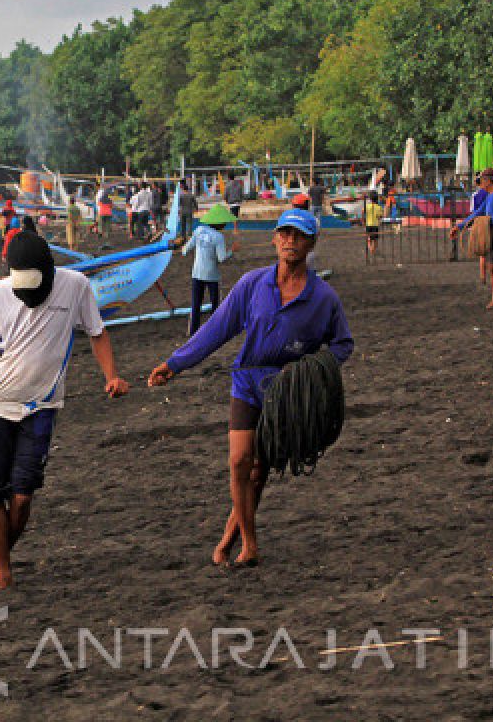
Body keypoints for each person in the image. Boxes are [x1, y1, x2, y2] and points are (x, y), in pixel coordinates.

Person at [147, 209, 354, 567]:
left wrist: (312, 371)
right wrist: (175, 363)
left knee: (260, 469)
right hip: (247, 380)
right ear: (275, 239)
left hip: (287, 391)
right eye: (284, 234)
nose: (290, 241)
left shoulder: (324, 298)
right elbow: (217, 329)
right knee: (240, 461)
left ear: (311, 243)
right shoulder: (252, 284)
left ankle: (233, 539)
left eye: (299, 235)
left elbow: (342, 344)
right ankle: (249, 543)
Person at [0, 232, 129, 591]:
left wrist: (111, 376)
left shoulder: (76, 286)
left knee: (22, 497)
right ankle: (3, 572)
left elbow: (97, 333)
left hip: (42, 406)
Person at [452, 169, 493, 309]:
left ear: (487, 181)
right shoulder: (490, 195)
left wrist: (484, 221)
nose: (480, 184)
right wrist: (460, 226)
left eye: (481, 181)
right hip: (492, 238)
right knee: (491, 268)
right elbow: (478, 212)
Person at [182, 205, 235, 335]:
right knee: (215, 305)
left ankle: (192, 331)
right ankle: (215, 331)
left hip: (197, 273)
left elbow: (186, 249)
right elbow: (222, 258)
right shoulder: (219, 237)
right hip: (212, 275)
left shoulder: (199, 229)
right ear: (220, 223)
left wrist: (182, 248)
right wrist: (232, 251)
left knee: (196, 305)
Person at [470, 175, 490, 284]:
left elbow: (473, 210)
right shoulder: (490, 194)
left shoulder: (475, 195)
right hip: (488, 221)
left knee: (482, 252)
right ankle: (491, 274)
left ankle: (482, 275)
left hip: (479, 222)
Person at [364, 191, 384, 257]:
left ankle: (370, 248)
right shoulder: (379, 207)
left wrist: (363, 219)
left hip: (368, 224)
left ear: (370, 199)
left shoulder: (367, 206)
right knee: (375, 239)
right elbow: (380, 216)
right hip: (375, 225)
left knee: (368, 238)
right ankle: (373, 249)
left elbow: (362, 211)